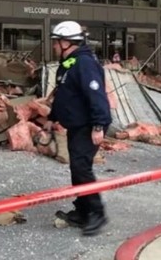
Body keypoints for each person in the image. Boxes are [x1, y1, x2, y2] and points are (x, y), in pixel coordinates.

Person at [46, 20, 113, 236]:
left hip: (88, 125)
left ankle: (96, 212)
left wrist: (98, 125)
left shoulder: (84, 63)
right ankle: (83, 209)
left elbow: (97, 95)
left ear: (66, 42)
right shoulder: (69, 64)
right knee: (77, 166)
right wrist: (52, 118)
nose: (54, 46)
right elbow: (63, 95)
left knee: (81, 167)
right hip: (77, 124)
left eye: (56, 42)